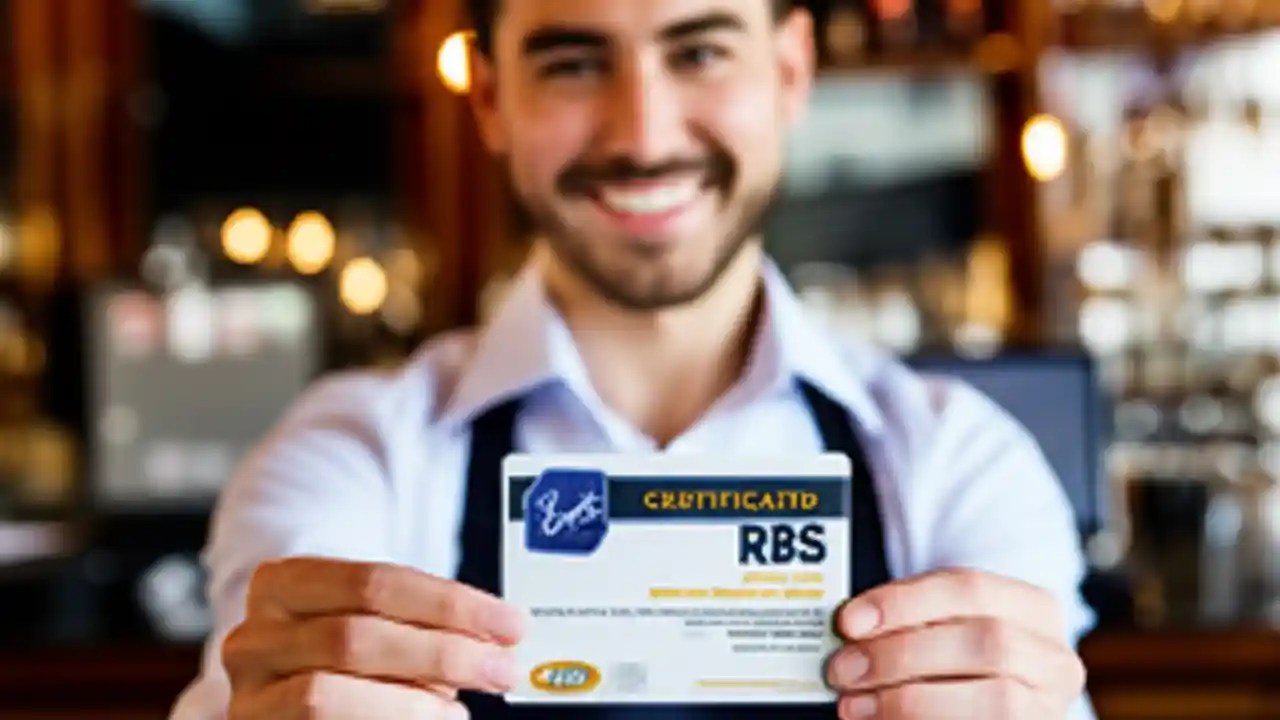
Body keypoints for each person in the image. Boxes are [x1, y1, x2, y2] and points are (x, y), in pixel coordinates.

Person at [171, 0, 1093, 717]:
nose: (644, 136)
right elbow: (246, 681)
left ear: (789, 68)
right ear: (489, 97)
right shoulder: (358, 451)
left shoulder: (954, 459)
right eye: (573, 63)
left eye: (698, 53)